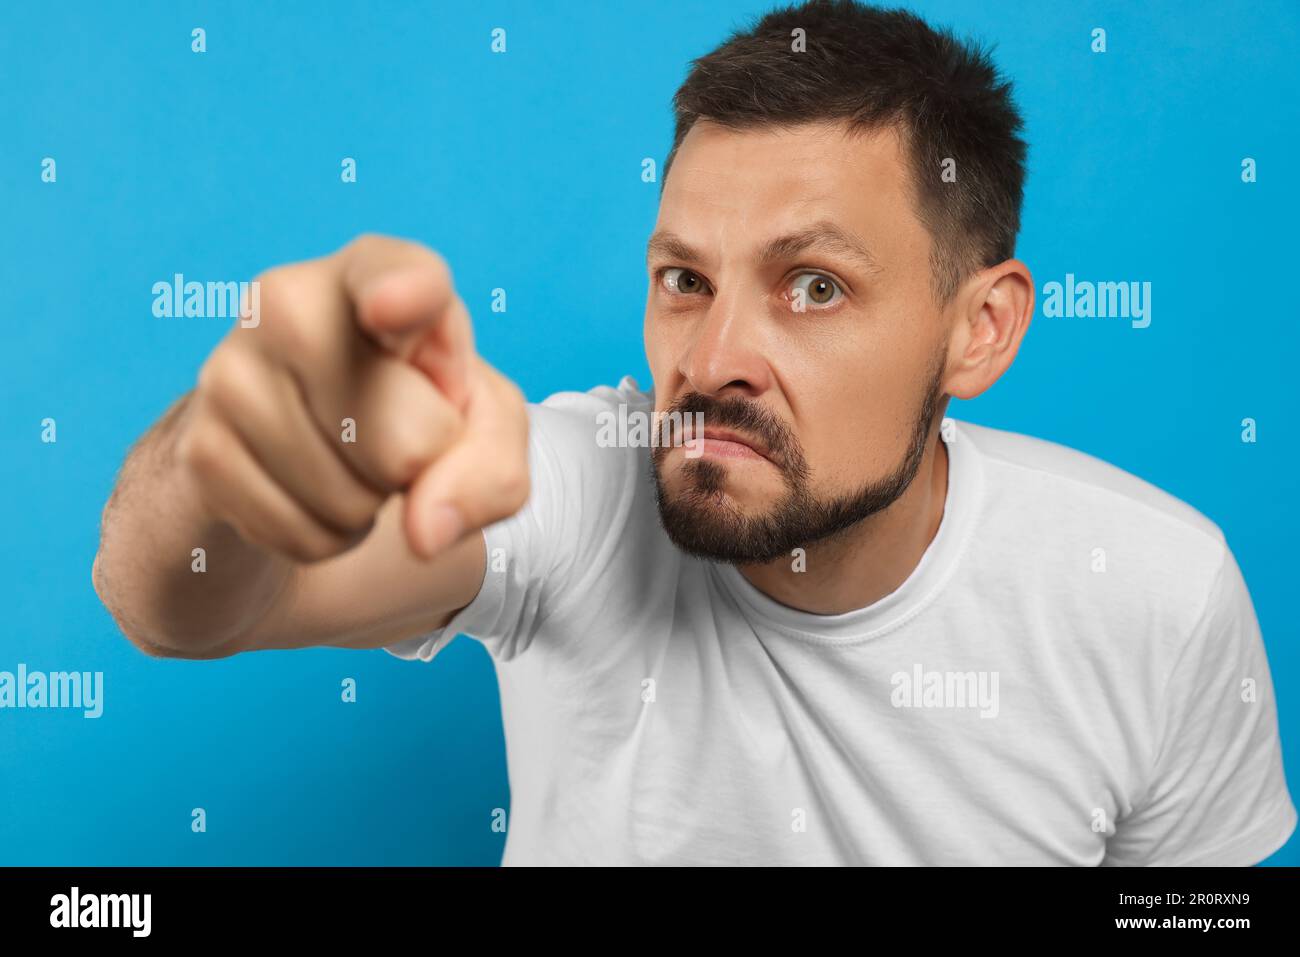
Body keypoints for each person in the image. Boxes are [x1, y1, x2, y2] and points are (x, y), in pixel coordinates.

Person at [92, 0, 1296, 865]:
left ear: (979, 331)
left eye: (812, 286)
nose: (712, 363)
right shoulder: (573, 491)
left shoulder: (1154, 592)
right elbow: (181, 606)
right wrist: (228, 457)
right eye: (682, 279)